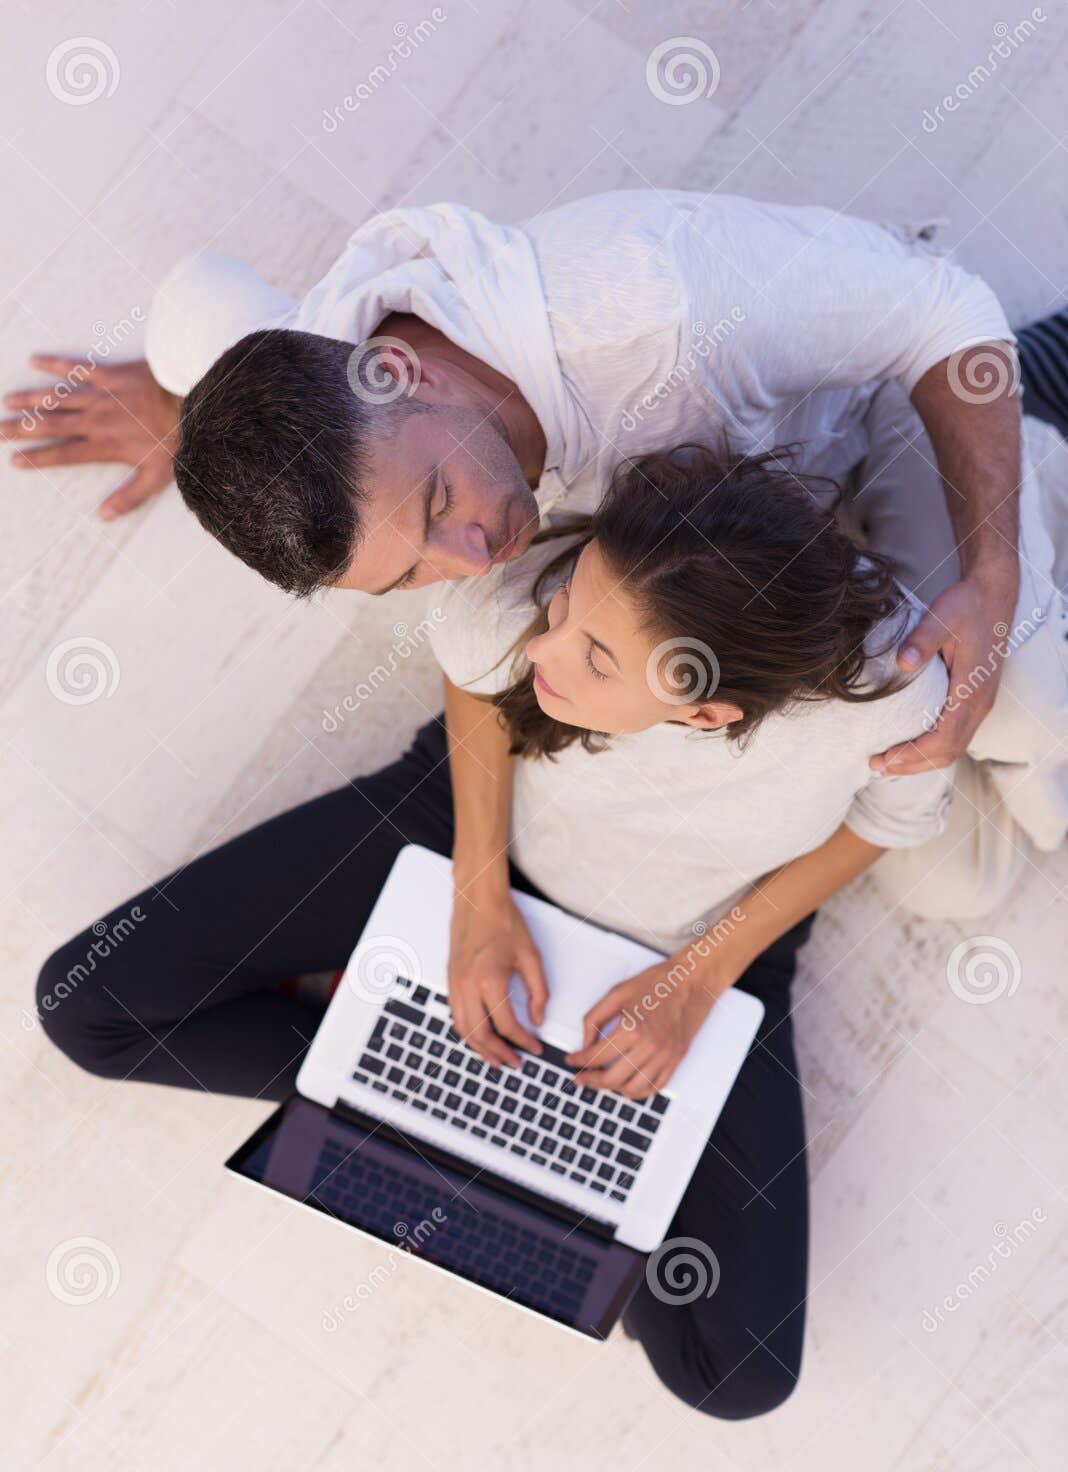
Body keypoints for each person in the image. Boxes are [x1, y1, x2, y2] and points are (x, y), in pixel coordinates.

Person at [37, 444, 952, 1418]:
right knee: (87, 1009)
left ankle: (512, 1130)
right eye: (562, 610)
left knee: (738, 1373)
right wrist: (477, 897)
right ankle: (434, 1094)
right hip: (478, 827)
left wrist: (695, 979)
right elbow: (480, 676)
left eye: (595, 658)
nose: (542, 651)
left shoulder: (890, 699)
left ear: (705, 709)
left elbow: (881, 822)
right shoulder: (561, 560)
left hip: (711, 938)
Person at [4, 192, 1065, 946]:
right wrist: (185, 404)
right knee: (945, 865)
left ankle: (1046, 397)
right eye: (406, 574)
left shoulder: (664, 307)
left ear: (401, 367)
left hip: (856, 441)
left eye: (436, 503)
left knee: (1018, 700)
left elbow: (946, 313)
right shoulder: (326, 367)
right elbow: (211, 306)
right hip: (719, 571)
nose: (474, 555)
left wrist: (994, 577)